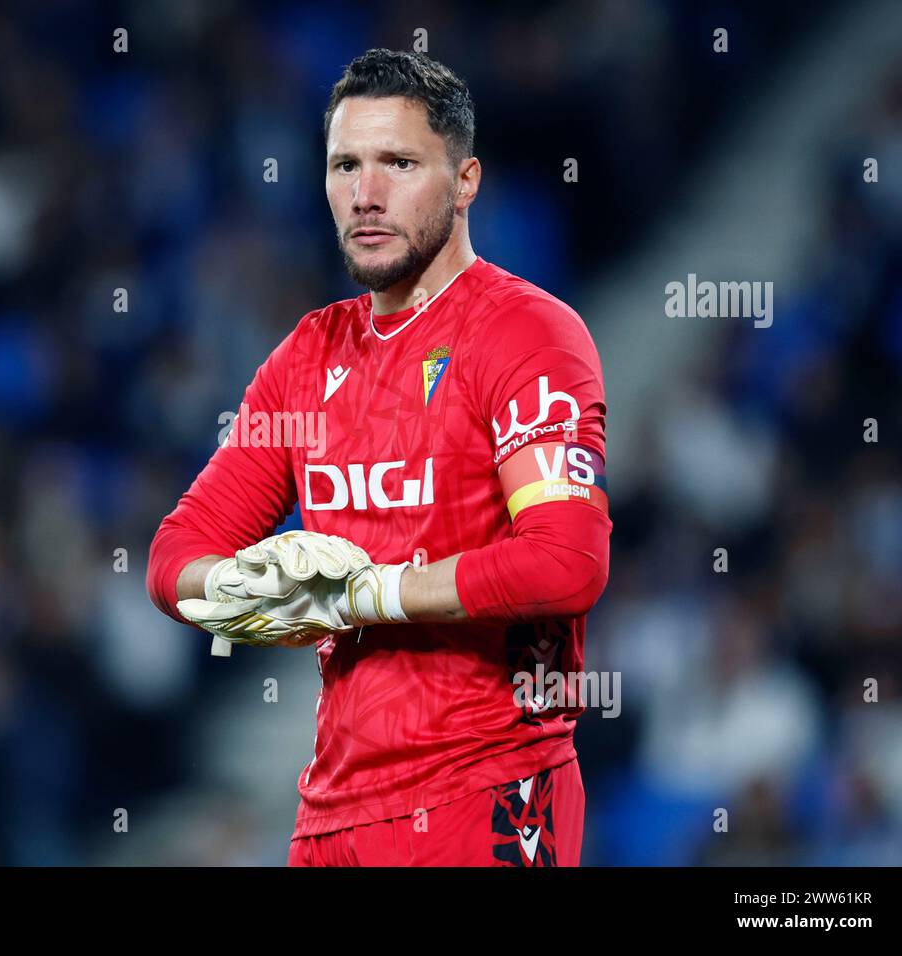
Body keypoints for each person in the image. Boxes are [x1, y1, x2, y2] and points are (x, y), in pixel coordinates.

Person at [146, 48, 610, 866]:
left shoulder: (525, 335)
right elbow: (173, 560)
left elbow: (565, 561)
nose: (365, 194)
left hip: (490, 791)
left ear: (466, 181)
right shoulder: (306, 357)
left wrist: (372, 592)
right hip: (333, 818)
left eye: (398, 163)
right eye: (344, 166)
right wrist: (247, 590)